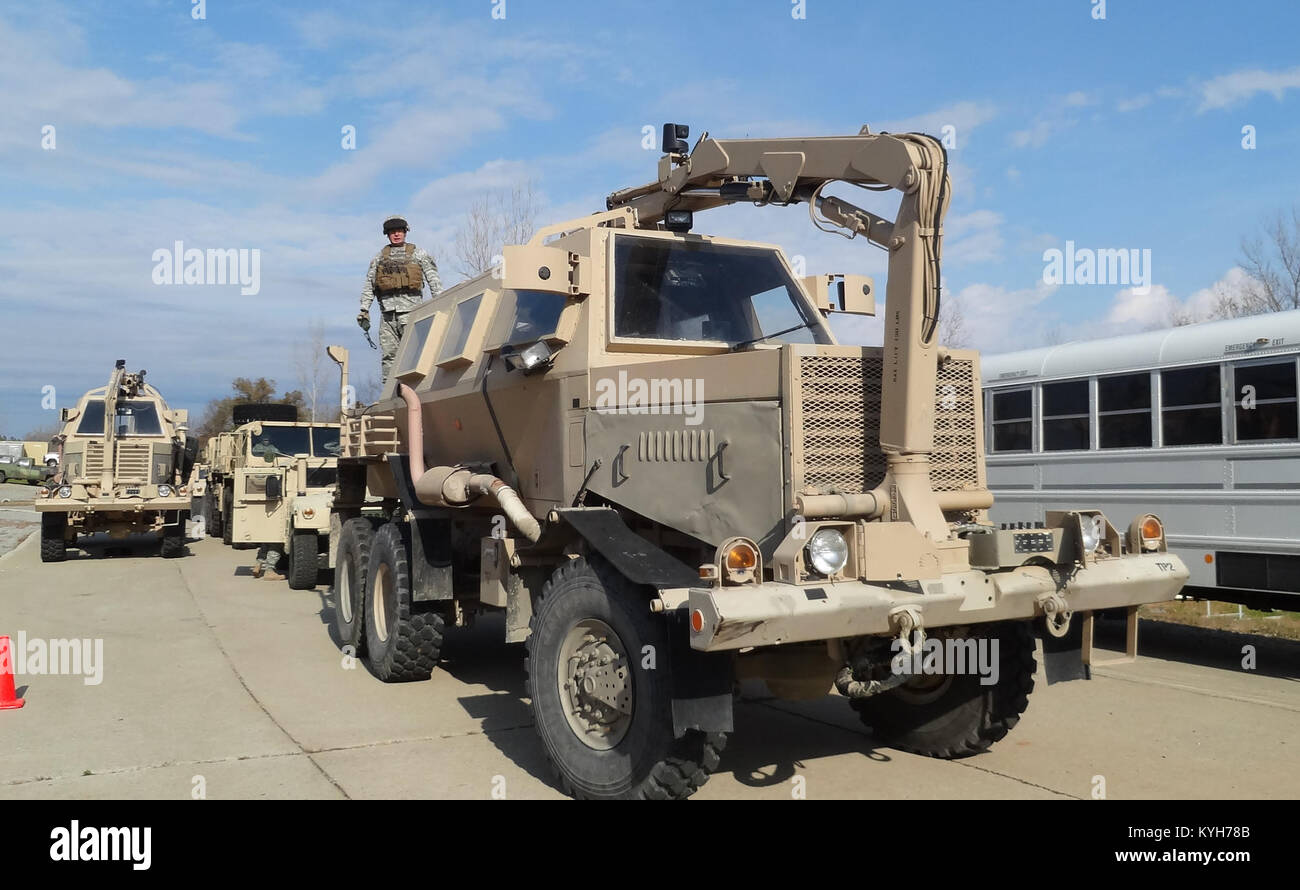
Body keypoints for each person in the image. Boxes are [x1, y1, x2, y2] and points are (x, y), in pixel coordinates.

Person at [359, 215, 441, 378]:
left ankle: (416, 391)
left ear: (405, 232)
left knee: (415, 352)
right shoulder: (379, 258)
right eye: (392, 232)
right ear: (387, 234)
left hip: (412, 312)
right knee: (389, 356)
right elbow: (370, 284)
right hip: (388, 316)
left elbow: (433, 279)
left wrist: (439, 301)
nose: (396, 234)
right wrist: (364, 309)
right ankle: (391, 395)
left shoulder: (418, 254)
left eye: (399, 231)